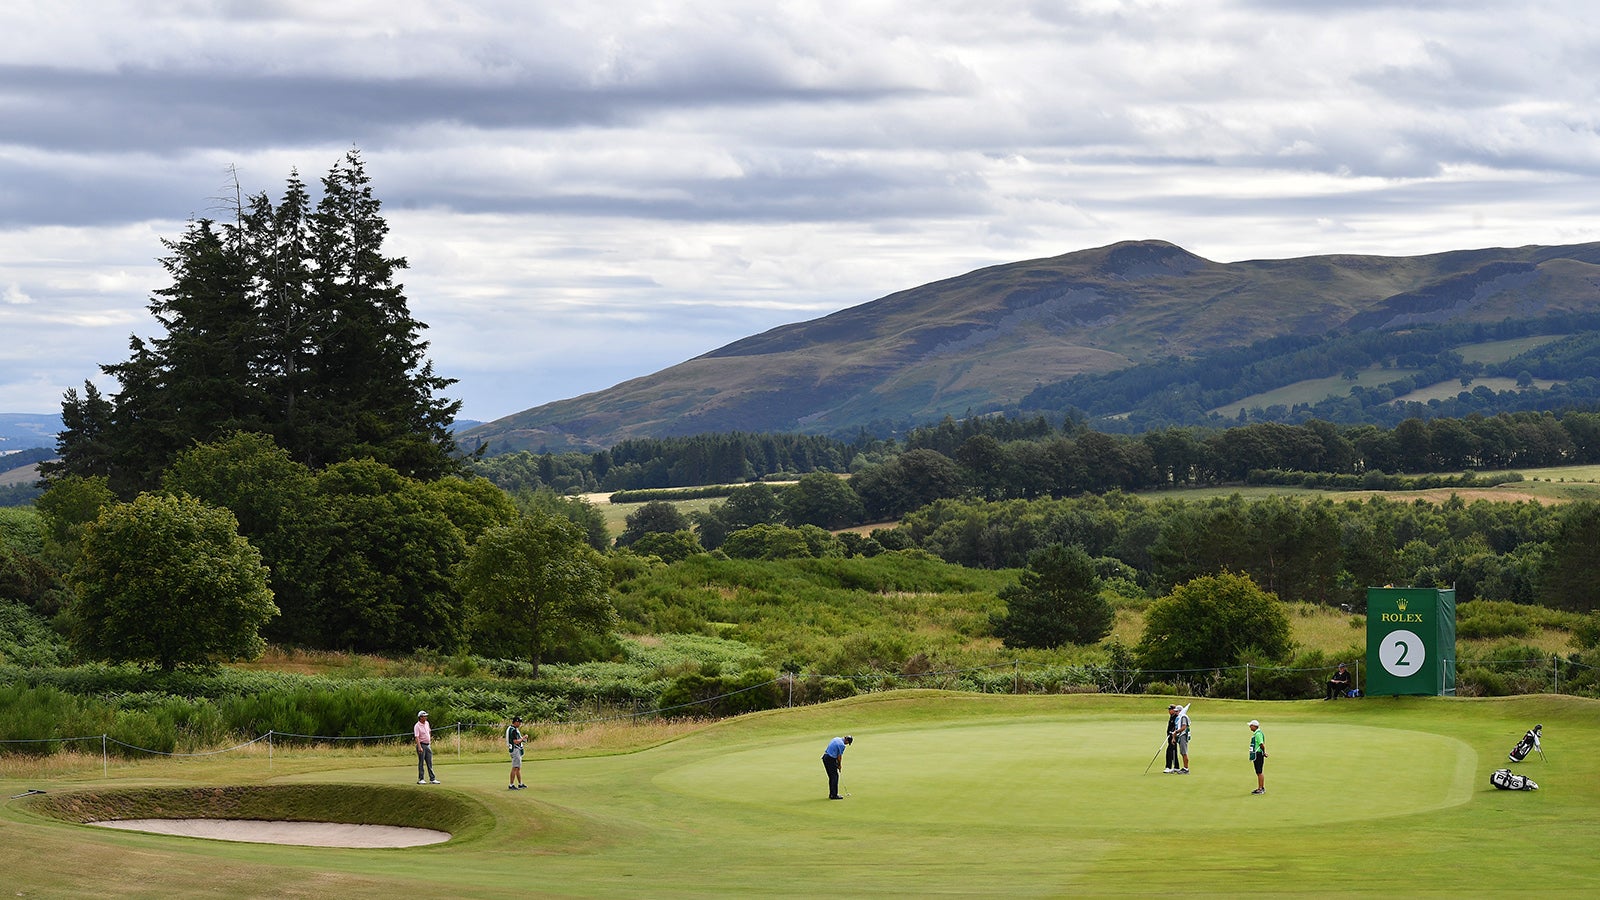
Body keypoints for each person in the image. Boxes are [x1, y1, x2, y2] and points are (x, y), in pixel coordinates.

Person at [822, 735, 852, 799]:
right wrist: (839, 765)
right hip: (830, 759)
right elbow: (839, 756)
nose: (846, 744)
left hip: (825, 757)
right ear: (846, 740)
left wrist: (837, 764)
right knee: (835, 777)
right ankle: (834, 795)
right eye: (847, 743)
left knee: (832, 777)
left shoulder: (836, 738)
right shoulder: (842, 745)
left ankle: (831, 794)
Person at [415, 710, 439, 784]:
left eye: (426, 716)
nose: (426, 717)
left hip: (427, 744)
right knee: (421, 762)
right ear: (420, 717)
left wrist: (429, 741)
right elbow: (417, 737)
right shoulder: (417, 726)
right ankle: (421, 779)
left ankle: (432, 779)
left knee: (429, 762)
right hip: (421, 745)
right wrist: (419, 747)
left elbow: (429, 732)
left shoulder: (427, 723)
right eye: (424, 716)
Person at [506, 715, 527, 790]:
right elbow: (515, 741)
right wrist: (523, 738)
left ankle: (520, 783)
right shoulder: (513, 730)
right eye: (519, 722)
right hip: (515, 750)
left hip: (514, 749)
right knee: (515, 767)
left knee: (517, 767)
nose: (520, 724)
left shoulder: (511, 728)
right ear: (516, 722)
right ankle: (511, 785)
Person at [1248, 719, 1267, 794]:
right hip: (1258, 754)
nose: (1250, 727)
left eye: (1251, 726)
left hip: (1258, 754)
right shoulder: (1256, 733)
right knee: (1258, 772)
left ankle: (1261, 788)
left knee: (1259, 772)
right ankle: (1260, 787)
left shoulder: (1258, 734)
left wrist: (1264, 752)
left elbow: (1261, 744)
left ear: (1254, 726)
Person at [1172, 705, 1191, 774]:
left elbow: (1184, 727)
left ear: (1180, 711)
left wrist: (1176, 732)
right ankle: (1184, 768)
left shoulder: (1183, 717)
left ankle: (1186, 769)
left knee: (1184, 752)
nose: (1176, 712)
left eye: (1177, 711)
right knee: (1182, 753)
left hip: (1183, 735)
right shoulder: (1179, 717)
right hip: (1180, 736)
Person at [1163, 705, 1180, 773]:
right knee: (1174, 751)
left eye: (1170, 709)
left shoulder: (1176, 717)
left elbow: (1176, 727)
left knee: (1169, 751)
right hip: (1170, 736)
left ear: (1174, 710)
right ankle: (1176, 767)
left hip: (1173, 736)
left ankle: (1168, 767)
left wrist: (1172, 732)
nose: (1169, 711)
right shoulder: (1172, 716)